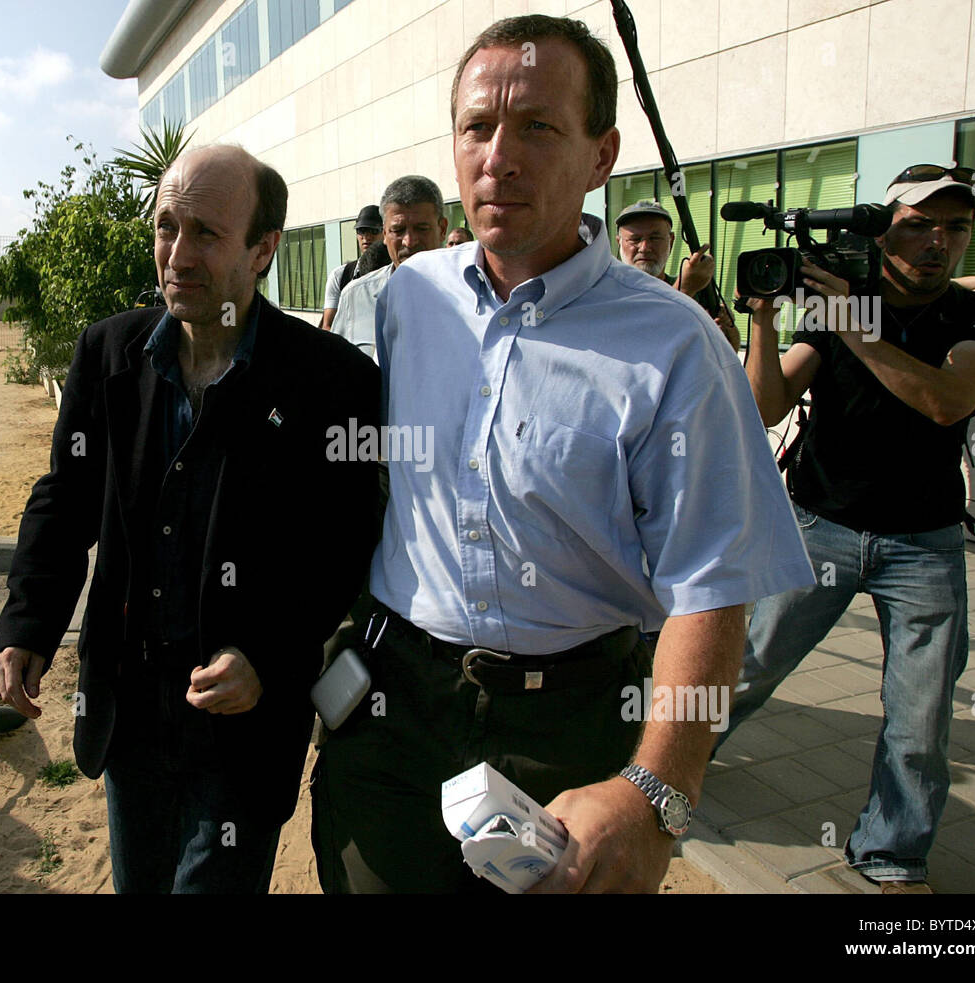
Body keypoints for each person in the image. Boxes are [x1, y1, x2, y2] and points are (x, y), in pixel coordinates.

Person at [310, 14, 815, 894]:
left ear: (601, 154)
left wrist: (658, 789)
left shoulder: (676, 347)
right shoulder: (400, 301)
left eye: (537, 126)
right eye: (477, 127)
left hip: (568, 731)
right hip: (389, 717)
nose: (497, 155)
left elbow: (715, 584)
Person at [0, 144, 381, 893]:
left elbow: (344, 544)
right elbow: (64, 499)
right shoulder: (110, 353)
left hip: (243, 722)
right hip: (128, 712)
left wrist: (266, 652)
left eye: (206, 233)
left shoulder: (331, 382)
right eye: (166, 227)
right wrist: (27, 627)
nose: (177, 253)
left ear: (264, 248)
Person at [717, 164, 975, 893]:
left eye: (954, 227)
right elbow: (768, 402)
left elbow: (948, 400)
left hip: (926, 545)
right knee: (749, 669)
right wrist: (762, 321)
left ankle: (890, 855)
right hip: (820, 524)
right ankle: (670, 765)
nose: (937, 241)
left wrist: (862, 331)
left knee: (920, 719)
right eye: (918, 223)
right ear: (884, 229)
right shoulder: (834, 309)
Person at [332, 174, 447, 359]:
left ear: (442, 229)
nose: (409, 242)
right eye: (398, 230)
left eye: (421, 228)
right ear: (385, 234)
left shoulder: (472, 295)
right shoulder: (355, 296)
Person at [615, 199, 740, 351]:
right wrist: (685, 291)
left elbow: (729, 351)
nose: (645, 247)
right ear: (619, 242)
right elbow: (641, 346)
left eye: (655, 238)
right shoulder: (606, 294)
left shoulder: (698, 288)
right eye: (635, 239)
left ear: (671, 241)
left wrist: (728, 329)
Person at [320, 205, 382, 331]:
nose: (366, 237)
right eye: (361, 231)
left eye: (373, 231)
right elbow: (328, 326)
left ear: (385, 232)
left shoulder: (397, 273)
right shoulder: (340, 276)